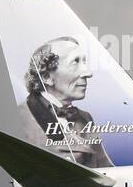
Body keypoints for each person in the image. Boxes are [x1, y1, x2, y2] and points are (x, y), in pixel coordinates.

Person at [20, 36, 114, 168]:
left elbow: (106, 168)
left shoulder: (85, 118)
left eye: (84, 62)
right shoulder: (21, 117)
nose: (88, 72)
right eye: (75, 62)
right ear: (47, 77)